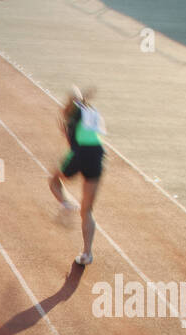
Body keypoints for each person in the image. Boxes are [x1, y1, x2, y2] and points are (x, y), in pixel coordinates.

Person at [48, 86, 106, 265]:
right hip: (97, 154)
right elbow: (80, 105)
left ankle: (66, 204)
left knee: (54, 181)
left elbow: (72, 141)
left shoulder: (70, 114)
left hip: (80, 153)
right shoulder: (92, 112)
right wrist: (82, 98)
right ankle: (87, 253)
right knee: (87, 210)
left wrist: (73, 102)